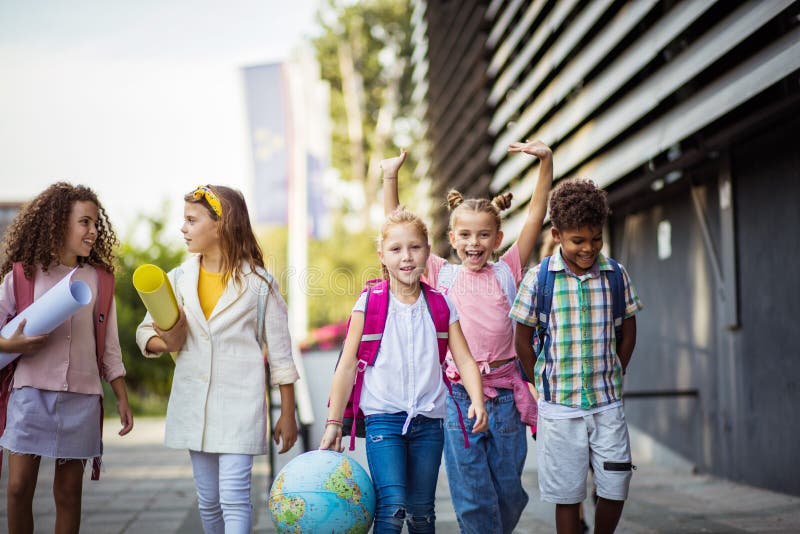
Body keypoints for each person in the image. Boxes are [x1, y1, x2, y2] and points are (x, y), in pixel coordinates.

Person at [380, 140, 552, 533]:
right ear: (453, 239)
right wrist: (391, 176)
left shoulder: (509, 269)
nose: (474, 243)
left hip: (507, 392)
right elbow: (396, 223)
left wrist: (546, 162)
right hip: (457, 394)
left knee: (508, 490)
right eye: (465, 235)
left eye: (483, 235)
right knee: (471, 493)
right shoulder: (442, 274)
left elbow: (536, 216)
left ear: (497, 238)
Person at [136, 185, 299, 534]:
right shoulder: (177, 279)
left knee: (234, 497)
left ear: (221, 225)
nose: (183, 228)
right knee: (208, 500)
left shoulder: (260, 285)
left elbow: (282, 356)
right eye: (184, 221)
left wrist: (288, 412)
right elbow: (143, 330)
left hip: (241, 405)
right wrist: (163, 342)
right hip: (195, 406)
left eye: (191, 220)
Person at [320, 208, 489, 534]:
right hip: (383, 419)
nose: (406, 257)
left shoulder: (441, 304)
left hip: (429, 423)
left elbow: (465, 360)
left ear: (427, 250)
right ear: (382, 255)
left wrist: (477, 400)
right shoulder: (369, 303)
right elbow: (347, 365)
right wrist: (333, 423)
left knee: (423, 512)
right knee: (393, 507)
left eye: (414, 247)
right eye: (396, 249)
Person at [510, 178, 643, 534]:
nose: (589, 248)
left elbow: (628, 331)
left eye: (596, 238)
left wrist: (618, 370)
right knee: (568, 495)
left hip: (607, 405)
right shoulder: (539, 280)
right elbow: (521, 339)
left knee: (615, 487)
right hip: (559, 409)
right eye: (578, 241)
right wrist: (537, 381)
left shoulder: (615, 275)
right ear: (557, 234)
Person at [0, 182, 134, 534]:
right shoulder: (22, 275)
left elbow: (109, 346)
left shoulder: (100, 280)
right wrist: (10, 346)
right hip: (30, 396)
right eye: (84, 222)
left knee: (69, 493)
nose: (93, 231)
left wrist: (120, 395)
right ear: (59, 223)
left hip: (82, 399)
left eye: (95, 224)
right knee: (17, 489)